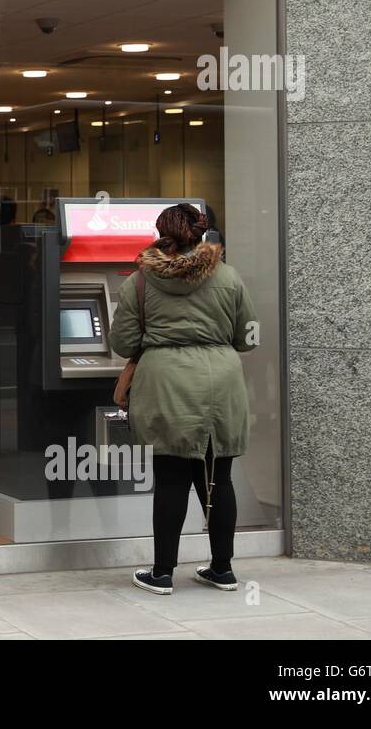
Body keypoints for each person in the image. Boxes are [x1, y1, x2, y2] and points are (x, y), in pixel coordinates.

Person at [109, 204, 257, 596]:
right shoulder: (229, 277)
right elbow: (247, 337)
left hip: (166, 383)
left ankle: (162, 574)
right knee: (218, 480)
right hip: (221, 384)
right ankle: (222, 569)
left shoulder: (139, 282)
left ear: (162, 233)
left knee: (172, 480)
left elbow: (122, 341)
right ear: (201, 232)